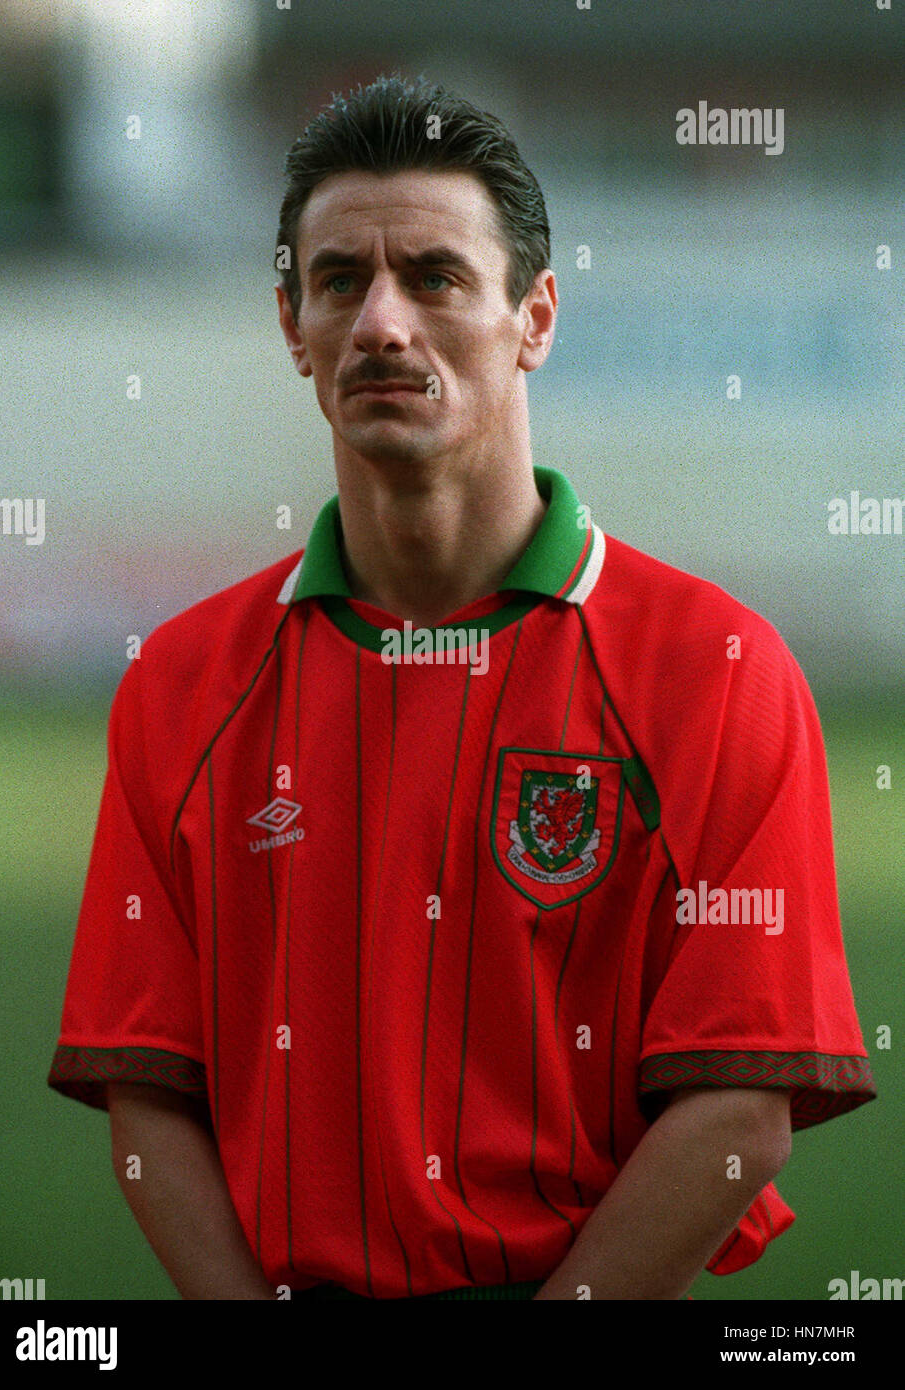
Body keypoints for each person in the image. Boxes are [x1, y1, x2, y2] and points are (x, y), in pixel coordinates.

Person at [48, 73, 875, 1301]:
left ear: (534, 317)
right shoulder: (180, 685)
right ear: (293, 327)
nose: (383, 322)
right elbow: (146, 1094)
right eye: (340, 281)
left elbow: (736, 1115)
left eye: (433, 276)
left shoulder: (718, 673)